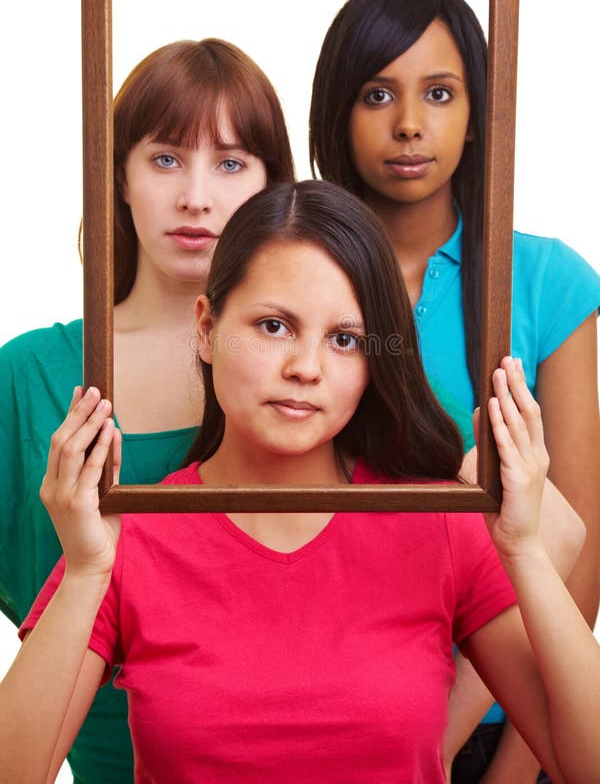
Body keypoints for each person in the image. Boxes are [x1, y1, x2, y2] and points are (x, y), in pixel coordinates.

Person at [1, 181, 600, 784]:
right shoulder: (127, 537)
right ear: (207, 328)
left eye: (344, 340)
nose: (306, 369)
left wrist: (522, 549)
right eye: (273, 326)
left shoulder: (437, 521)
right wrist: (84, 573)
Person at [309, 0, 600, 782]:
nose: (410, 123)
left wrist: (512, 766)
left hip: (511, 721)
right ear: (337, 109)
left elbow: (576, 548)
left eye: (439, 93)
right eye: (378, 94)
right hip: (341, 708)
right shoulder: (296, 278)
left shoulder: (548, 280)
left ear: (479, 110)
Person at [0, 37, 294, 784]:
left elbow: (532, 531)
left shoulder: (316, 369)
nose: (196, 196)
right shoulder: (29, 372)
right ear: (119, 178)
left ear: (272, 187)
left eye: (230, 163)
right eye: (166, 158)